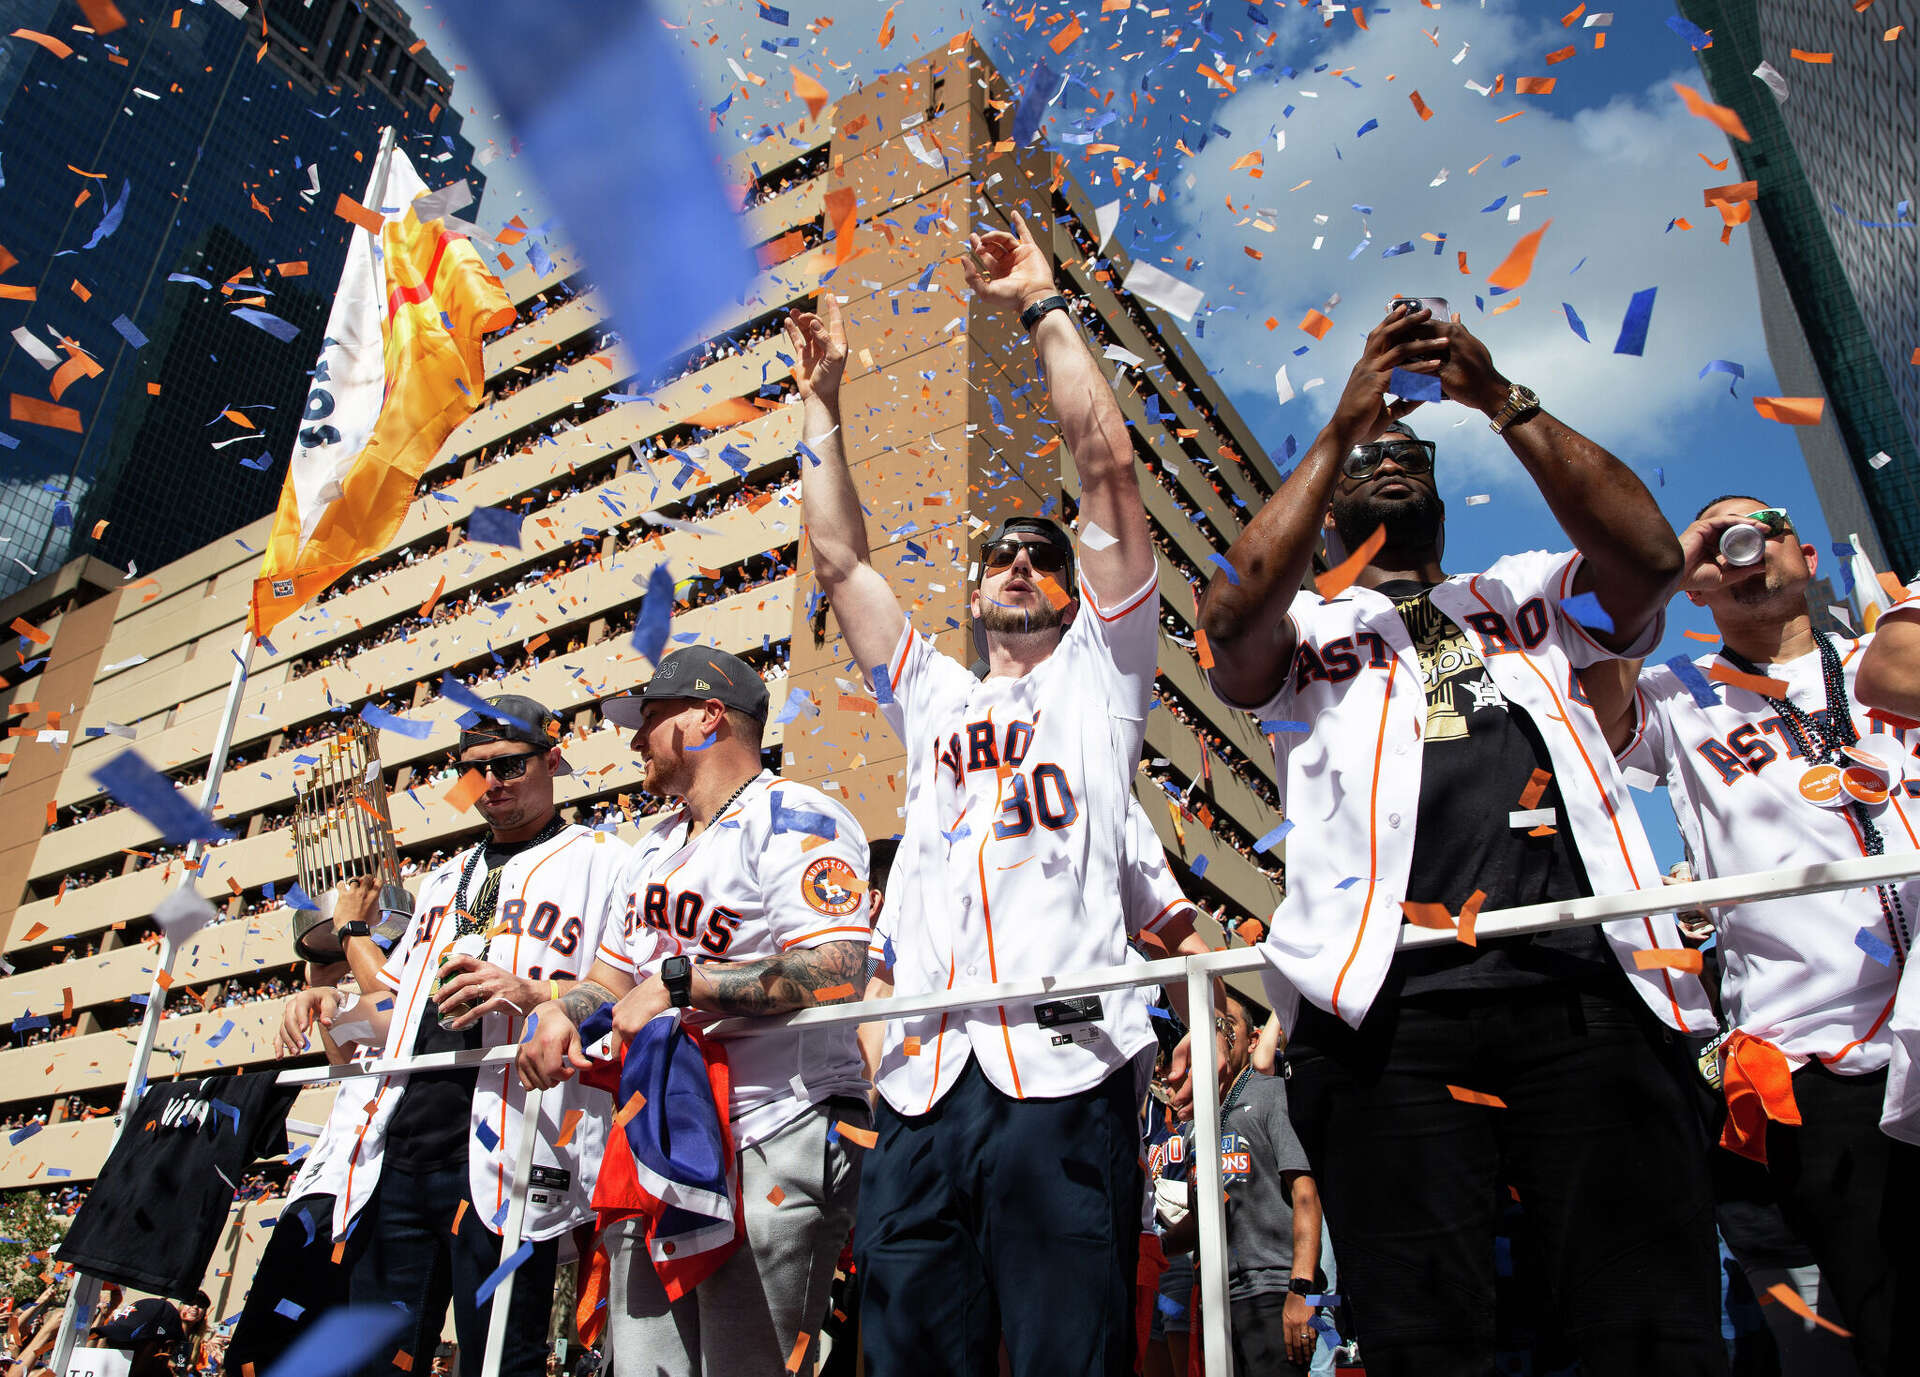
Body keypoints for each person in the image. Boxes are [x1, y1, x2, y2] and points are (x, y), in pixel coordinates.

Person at [1194, 304, 1722, 1376]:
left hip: (1584, 981)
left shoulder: (1523, 589)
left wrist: (1498, 397)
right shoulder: (1307, 635)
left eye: (1407, 451)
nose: (1388, 462)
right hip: (1391, 1015)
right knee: (1426, 1335)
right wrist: (1339, 428)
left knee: (1645, 1322)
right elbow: (1228, 629)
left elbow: (1651, 557)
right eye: (1363, 462)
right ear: (1328, 507)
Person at [792, 204, 1173, 1376]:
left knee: (1068, 1356)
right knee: (908, 1358)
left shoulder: (1104, 675)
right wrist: (821, 401)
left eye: (1041, 555)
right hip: (920, 1078)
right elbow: (843, 560)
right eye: (998, 552)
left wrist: (1045, 308)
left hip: (1062, 1072)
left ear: (1072, 590)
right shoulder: (937, 695)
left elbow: (1106, 473)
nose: (1017, 561)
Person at [1581, 496, 1920, 1376]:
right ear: (1695, 589)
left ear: (1804, 550)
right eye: (1718, 540)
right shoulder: (1678, 695)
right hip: (1819, 1060)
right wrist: (1660, 563)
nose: (1744, 549)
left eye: (1762, 526)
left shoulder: (1890, 654)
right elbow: (1597, 710)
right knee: (1890, 1315)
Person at [516, 648, 872, 1377]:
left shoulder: (797, 816)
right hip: (660, 1135)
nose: (635, 738)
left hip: (775, 1123)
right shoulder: (650, 847)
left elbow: (839, 968)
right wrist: (561, 1010)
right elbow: (613, 977)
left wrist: (684, 982)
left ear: (708, 719)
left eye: (650, 719)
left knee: (749, 1366)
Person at [274, 696, 631, 1377]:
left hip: (512, 1152)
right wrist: (338, 1002)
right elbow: (396, 1009)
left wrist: (535, 993)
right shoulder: (442, 878)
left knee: (499, 1360)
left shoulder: (603, 859)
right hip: (404, 1154)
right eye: (474, 770)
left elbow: (626, 986)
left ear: (552, 758)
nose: (491, 782)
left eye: (509, 764)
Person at [1162, 990, 1323, 1375]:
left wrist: (1301, 1290)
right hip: (1215, 1300)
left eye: (1228, 1026)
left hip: (1273, 1291)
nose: (1219, 1037)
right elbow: (1204, 1221)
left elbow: (1306, 1195)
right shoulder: (1197, 1120)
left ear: (1251, 1041)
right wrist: (1153, 1248)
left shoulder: (1270, 1095)